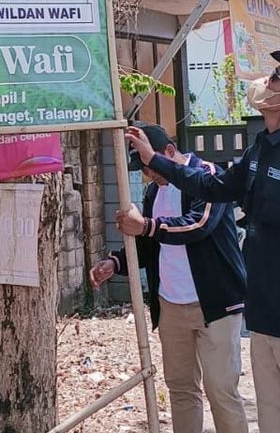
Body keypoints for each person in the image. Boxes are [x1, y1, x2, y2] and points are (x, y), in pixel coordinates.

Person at [133, 51, 280, 432]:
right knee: (274, 423)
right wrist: (157, 160)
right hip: (266, 320)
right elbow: (215, 186)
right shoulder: (262, 148)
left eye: (277, 78)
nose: (266, 82)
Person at [91, 122, 249, 433]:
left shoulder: (207, 177)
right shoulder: (155, 192)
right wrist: (115, 262)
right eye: (144, 169)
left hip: (214, 304)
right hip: (171, 306)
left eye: (149, 165)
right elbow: (150, 243)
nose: (148, 174)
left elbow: (197, 226)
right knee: (180, 389)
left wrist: (147, 225)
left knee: (221, 391)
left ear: (169, 152)